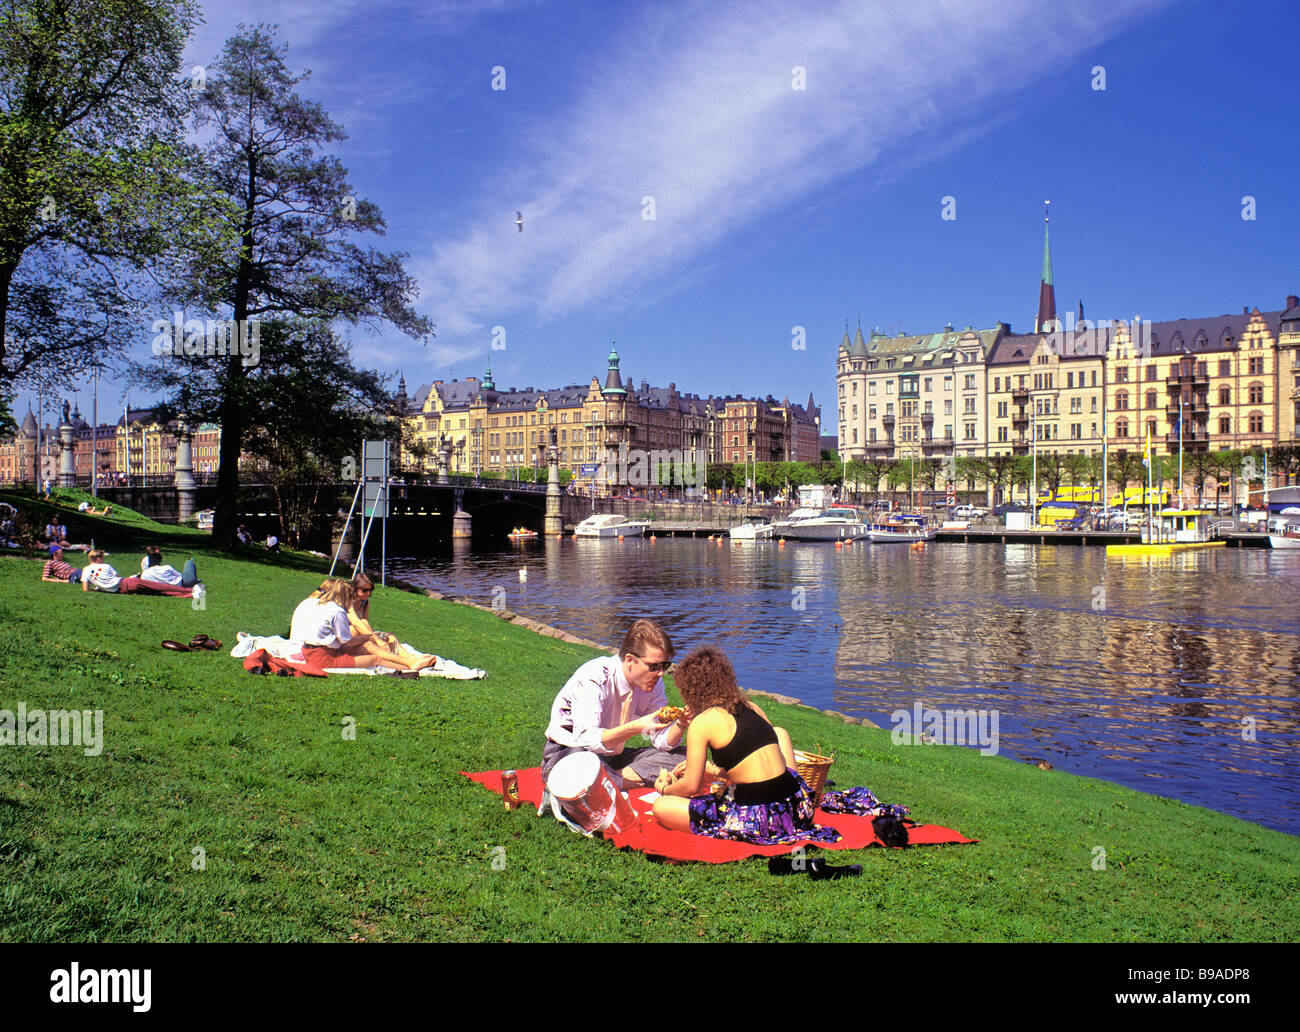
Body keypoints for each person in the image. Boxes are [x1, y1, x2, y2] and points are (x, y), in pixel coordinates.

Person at [651, 646, 839, 845]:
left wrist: (664, 790)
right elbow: (772, 764)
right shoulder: (752, 707)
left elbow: (691, 785)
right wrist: (718, 771)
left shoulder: (703, 722)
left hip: (760, 820)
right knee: (779, 733)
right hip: (798, 808)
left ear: (691, 690)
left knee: (662, 806)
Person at [542, 619, 686, 789]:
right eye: (654, 666)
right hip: (569, 753)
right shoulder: (595, 676)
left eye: (665, 665)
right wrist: (636, 727)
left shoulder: (654, 684)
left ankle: (610, 780)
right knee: (581, 763)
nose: (660, 673)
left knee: (685, 757)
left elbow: (659, 739)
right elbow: (586, 739)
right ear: (630, 660)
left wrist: (681, 724)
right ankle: (621, 781)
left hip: (613, 757)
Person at [289, 579, 435, 671]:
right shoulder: (337, 611)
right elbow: (347, 640)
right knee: (375, 658)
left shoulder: (319, 604)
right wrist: (367, 637)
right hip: (323, 657)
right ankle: (411, 665)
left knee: (368, 646)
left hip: (312, 650)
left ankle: (410, 662)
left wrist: (366, 639)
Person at [339, 572, 439, 672]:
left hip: (360, 635)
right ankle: (409, 662)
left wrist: (377, 638)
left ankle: (411, 657)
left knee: (390, 637)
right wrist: (376, 640)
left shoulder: (365, 603)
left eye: (370, 590)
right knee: (366, 629)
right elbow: (357, 623)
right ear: (355, 588)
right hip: (348, 638)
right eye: (364, 590)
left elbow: (366, 623)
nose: (368, 593)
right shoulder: (348, 601)